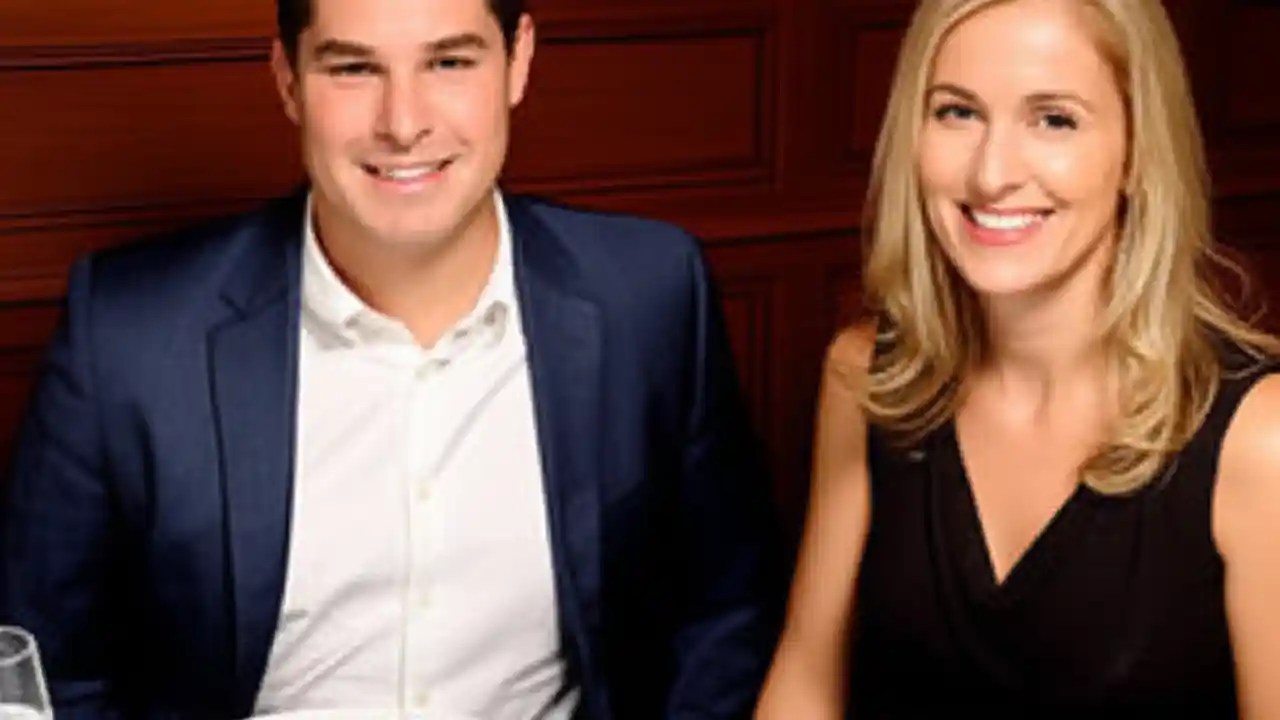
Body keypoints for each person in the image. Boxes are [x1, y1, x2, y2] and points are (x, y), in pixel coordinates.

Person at [0, 0, 784, 717]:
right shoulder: (130, 334)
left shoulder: (648, 294)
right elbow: (40, 670)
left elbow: (725, 612)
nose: (403, 123)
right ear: (288, 81)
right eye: (352, 68)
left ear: (519, 61)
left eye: (449, 61)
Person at [755, 0, 1280, 716]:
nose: (991, 173)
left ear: (1138, 152)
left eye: (1054, 119)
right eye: (957, 113)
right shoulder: (866, 376)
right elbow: (808, 680)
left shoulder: (1262, 439)